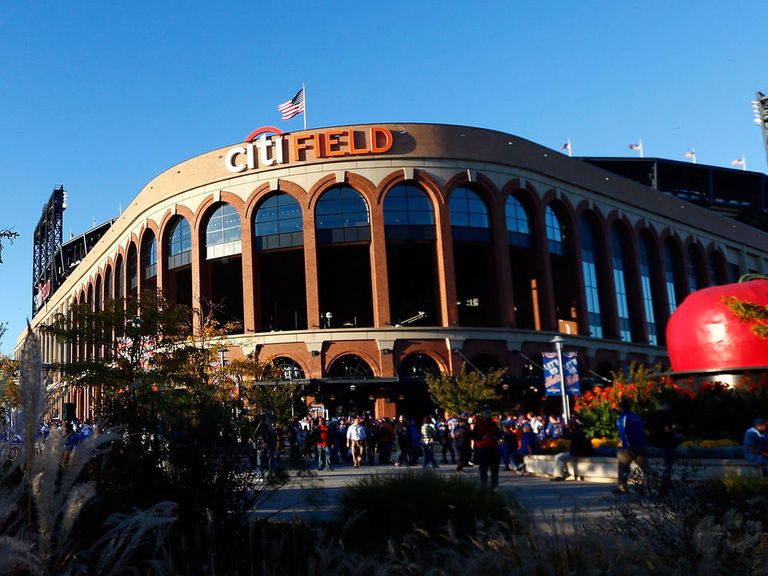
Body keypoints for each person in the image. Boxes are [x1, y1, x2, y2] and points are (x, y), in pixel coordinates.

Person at [615, 399, 648, 494]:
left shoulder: (623, 418)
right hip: (641, 445)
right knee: (645, 468)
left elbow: (623, 432)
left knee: (623, 467)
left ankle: (622, 488)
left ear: (621, 408)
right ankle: (651, 486)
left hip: (631, 446)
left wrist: (627, 446)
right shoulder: (637, 417)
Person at [471, 410, 502, 488]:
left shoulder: (493, 424)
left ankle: (494, 484)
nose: (488, 417)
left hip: (493, 447)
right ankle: (484, 483)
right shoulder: (479, 424)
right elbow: (474, 435)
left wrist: (496, 438)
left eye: (489, 415)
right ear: (484, 416)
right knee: (483, 467)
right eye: (486, 415)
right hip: (483, 448)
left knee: (494, 467)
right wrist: (482, 437)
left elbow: (499, 434)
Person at [649, 403, 678, 484]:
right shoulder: (666, 415)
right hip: (667, 442)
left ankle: (658, 481)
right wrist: (675, 428)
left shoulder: (654, 414)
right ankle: (666, 482)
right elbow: (667, 429)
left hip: (656, 441)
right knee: (668, 464)